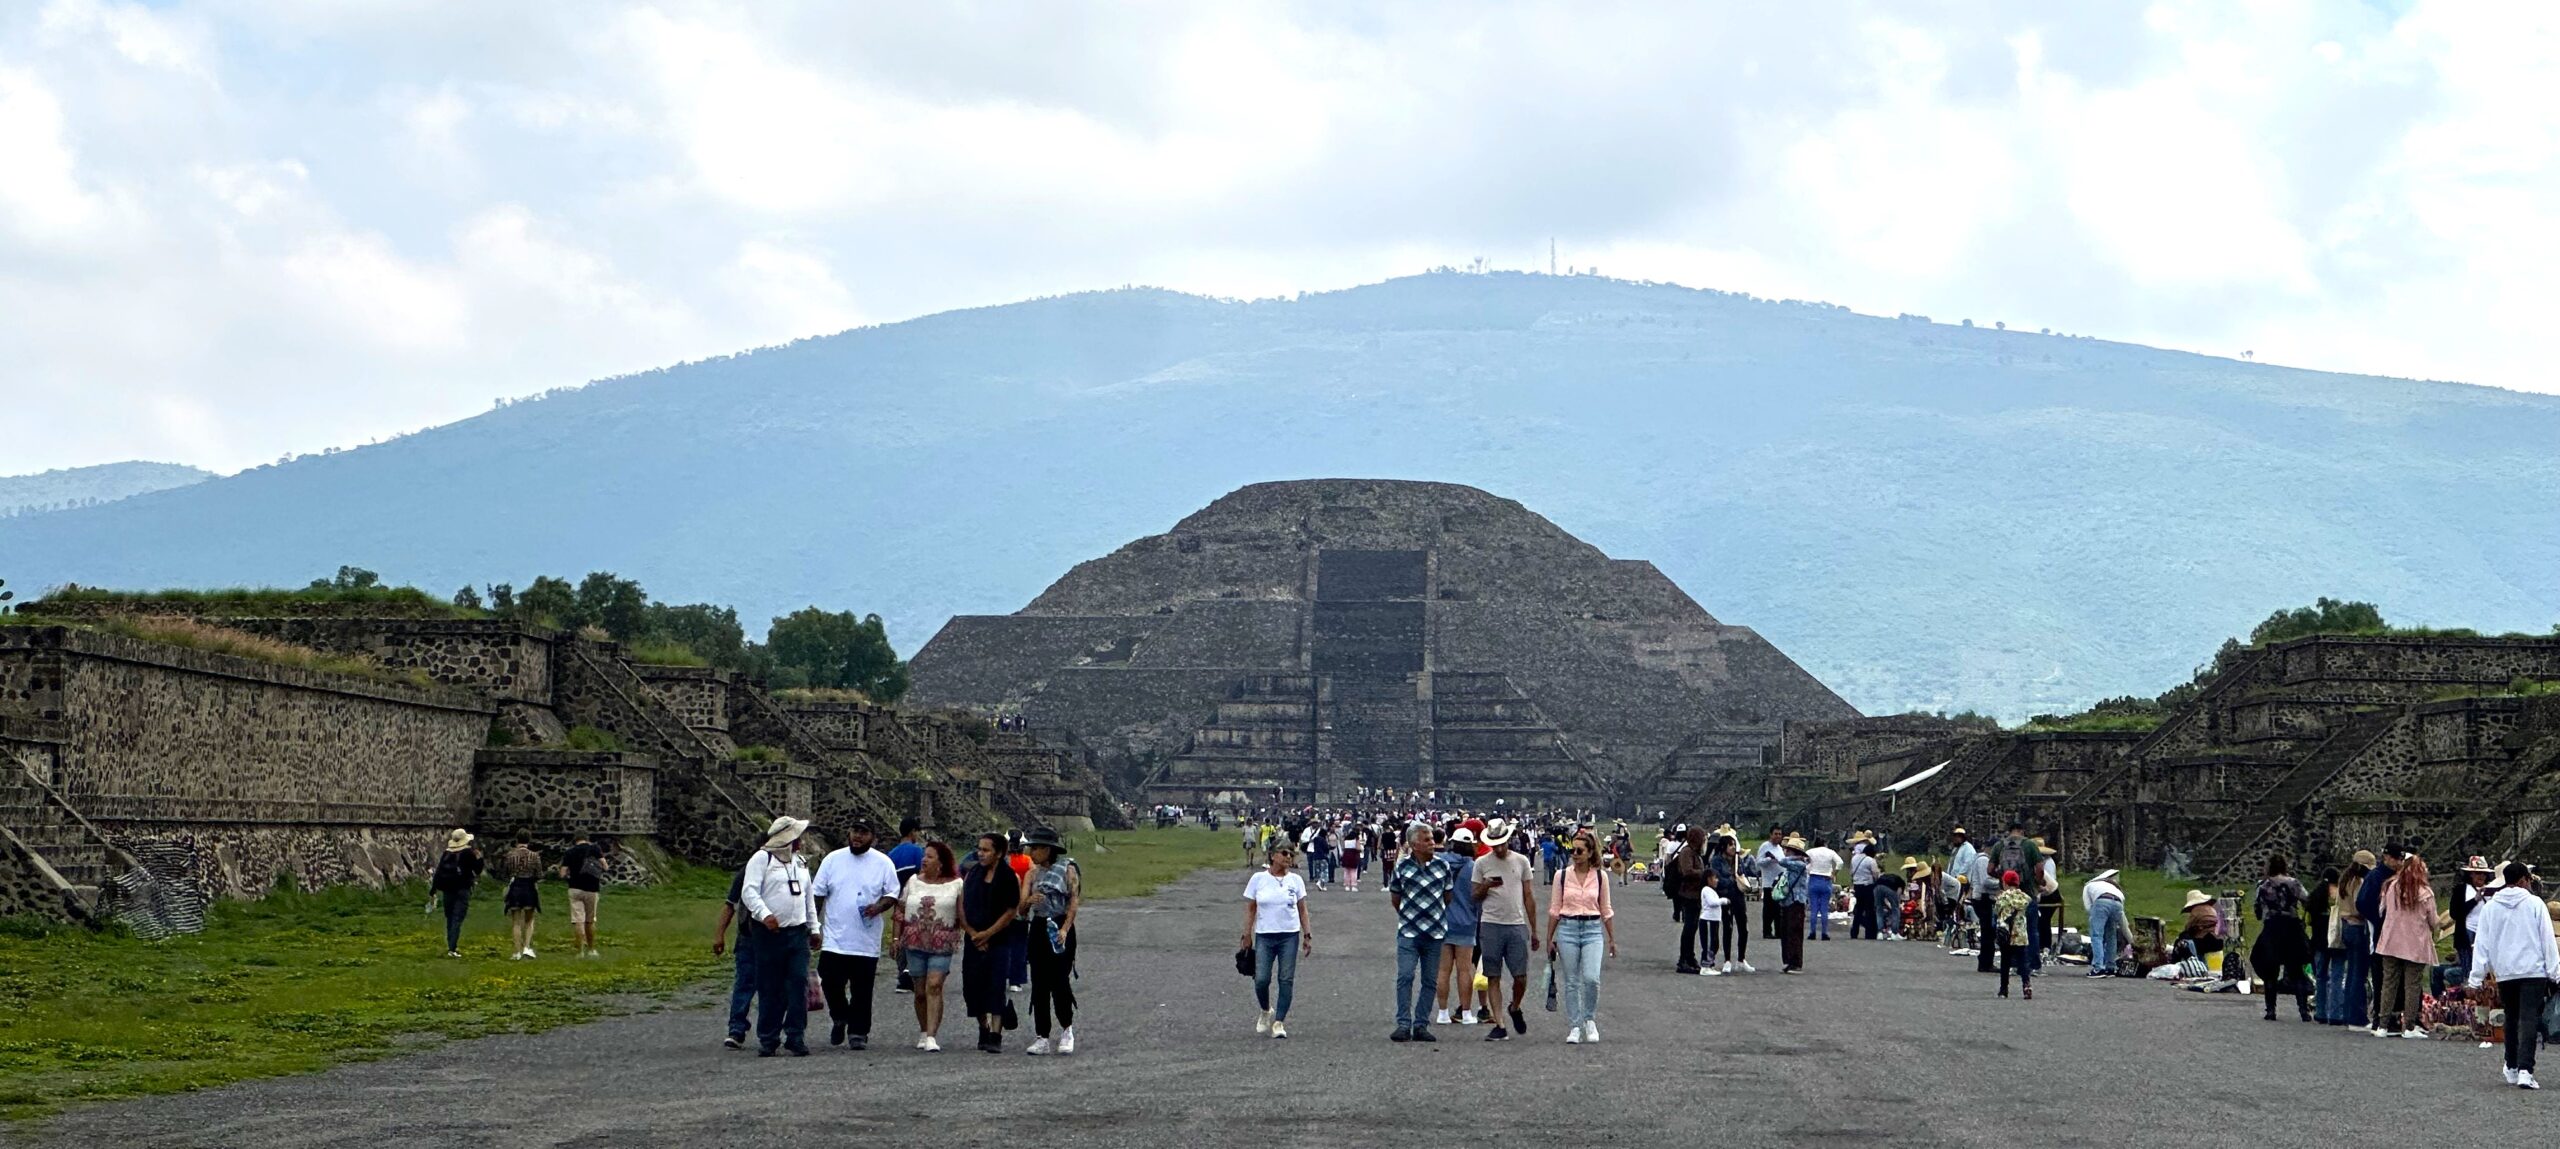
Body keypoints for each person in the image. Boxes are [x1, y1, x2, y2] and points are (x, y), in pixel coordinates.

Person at [811, 819, 903, 1051]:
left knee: (862, 988)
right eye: (854, 831)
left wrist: (878, 907)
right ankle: (840, 1015)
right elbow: (818, 893)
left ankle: (858, 1031)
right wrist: (813, 926)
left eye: (863, 833)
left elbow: (892, 894)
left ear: (873, 837)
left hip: (865, 938)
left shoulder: (883, 863)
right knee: (830, 981)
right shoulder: (833, 859)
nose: (857, 837)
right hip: (835, 937)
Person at [2467, 862, 2559, 1089]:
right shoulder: (2535, 904)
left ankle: (2511, 1065)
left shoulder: (2490, 907)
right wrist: (2556, 972)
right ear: (2523, 880)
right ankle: (2527, 1070)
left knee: (2511, 1016)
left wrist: (2476, 976)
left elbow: (2482, 944)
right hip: (2533, 970)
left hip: (2506, 971)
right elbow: (2547, 940)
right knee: (2529, 1019)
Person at [739, 816, 816, 1057]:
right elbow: (749, 892)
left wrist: (814, 927)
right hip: (769, 934)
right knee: (770, 985)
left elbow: (807, 897)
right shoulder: (762, 859)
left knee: (798, 982)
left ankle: (795, 1035)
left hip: (797, 932)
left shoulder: (800, 862)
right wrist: (764, 914)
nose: (800, 842)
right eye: (797, 838)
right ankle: (768, 1037)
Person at [961, 831, 1029, 1053]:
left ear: (998, 853)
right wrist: (973, 934)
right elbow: (961, 905)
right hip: (973, 939)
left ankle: (996, 1034)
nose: (981, 854)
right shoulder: (972, 874)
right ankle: (983, 1026)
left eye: (986, 850)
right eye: (979, 849)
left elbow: (1011, 911)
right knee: (973, 987)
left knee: (996, 985)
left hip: (998, 940)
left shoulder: (1008, 877)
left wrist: (988, 934)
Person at [1385, 823, 1454, 1043]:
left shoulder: (1442, 867)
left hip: (1434, 932)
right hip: (1409, 931)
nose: (1432, 843)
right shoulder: (1402, 867)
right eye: (1426, 840)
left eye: (1432, 839)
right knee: (1405, 976)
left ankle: (1421, 1023)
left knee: (1430, 980)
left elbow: (1447, 897)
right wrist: (1412, 915)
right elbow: (1396, 898)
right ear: (1414, 844)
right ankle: (1404, 1023)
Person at [1547, 830, 1617, 1043]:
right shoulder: (1561, 876)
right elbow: (1555, 909)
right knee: (1571, 982)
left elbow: (1606, 909)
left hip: (1592, 929)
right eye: (1572, 850)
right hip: (1567, 928)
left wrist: (1612, 938)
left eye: (1579, 850)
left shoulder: (1599, 876)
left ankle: (1589, 1019)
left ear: (1589, 853)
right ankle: (1575, 1025)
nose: (1575, 854)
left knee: (1591, 978)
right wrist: (1549, 938)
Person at [892, 840, 962, 1051]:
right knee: (920, 991)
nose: (924, 860)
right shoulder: (913, 881)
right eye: (924, 856)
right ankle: (923, 1030)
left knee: (934, 985)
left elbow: (962, 913)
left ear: (940, 862)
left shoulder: (956, 884)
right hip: (914, 942)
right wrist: (895, 939)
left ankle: (932, 1035)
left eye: (930, 856)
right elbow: (899, 911)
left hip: (942, 942)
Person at [1472, 818, 1539, 1038]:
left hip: (1516, 923)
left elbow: (1529, 896)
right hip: (1491, 923)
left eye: (1502, 842)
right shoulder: (1481, 863)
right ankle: (1499, 1024)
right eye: (1495, 844)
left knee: (1520, 976)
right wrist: (1486, 885)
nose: (1499, 848)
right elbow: (1474, 896)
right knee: (1493, 975)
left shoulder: (1521, 861)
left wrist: (1534, 929)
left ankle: (1515, 1006)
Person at [1242, 841, 1313, 1039]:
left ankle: (1279, 1022)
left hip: (1288, 935)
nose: (1288, 857)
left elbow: (1302, 909)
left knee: (1286, 978)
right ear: (1273, 855)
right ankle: (1266, 1010)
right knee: (1261, 979)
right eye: (1284, 853)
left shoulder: (1295, 881)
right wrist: (1246, 934)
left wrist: (1307, 935)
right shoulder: (1258, 879)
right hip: (1265, 935)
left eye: (1291, 853)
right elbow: (1251, 908)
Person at [1022, 826, 1083, 1055]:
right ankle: (1042, 1035)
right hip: (1038, 925)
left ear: (1048, 850)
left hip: (1059, 924)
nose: (1032, 852)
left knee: (1059, 980)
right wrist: (1029, 900)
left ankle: (1067, 1028)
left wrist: (1065, 929)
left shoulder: (1067, 870)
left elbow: (1073, 902)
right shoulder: (1031, 874)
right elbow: (1020, 909)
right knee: (1039, 983)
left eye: (1036, 848)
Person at [2373, 850, 2437, 1038]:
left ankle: (2383, 1024)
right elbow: (2433, 920)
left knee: (2389, 983)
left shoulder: (2390, 886)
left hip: (2391, 940)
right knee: (2412, 985)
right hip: (2415, 943)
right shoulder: (2425, 892)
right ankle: (2409, 1026)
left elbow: (2381, 910)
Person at [2252, 854, 2314, 1021]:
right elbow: (2307, 899)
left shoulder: (2262, 885)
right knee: (2296, 971)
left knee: (2270, 970)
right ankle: (2303, 1011)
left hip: (2272, 927)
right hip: (2291, 926)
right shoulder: (2294, 883)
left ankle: (2270, 1010)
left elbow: (2257, 909)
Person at [1434, 827, 1482, 1026]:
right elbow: (1477, 896)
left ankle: (1442, 1012)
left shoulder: (1440, 863)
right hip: (1466, 921)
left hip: (1442, 920)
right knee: (1464, 970)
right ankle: (1466, 1012)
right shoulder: (1473, 867)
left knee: (1443, 970)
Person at [2324, 852, 2375, 1028]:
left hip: (2346, 926)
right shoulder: (2358, 883)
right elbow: (2359, 905)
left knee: (2352, 971)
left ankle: (2347, 1013)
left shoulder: (2345, 882)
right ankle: (2357, 1016)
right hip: (2357, 926)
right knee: (2358, 974)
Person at [714, 858, 759, 1048]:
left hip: (778, 937)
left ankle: (771, 1030)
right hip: (748, 936)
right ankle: (736, 1029)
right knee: (744, 983)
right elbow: (730, 904)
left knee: (775, 986)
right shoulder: (747, 871)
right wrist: (719, 934)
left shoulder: (789, 868)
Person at [887, 818, 927, 994]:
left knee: (900, 935)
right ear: (912, 832)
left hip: (897, 900)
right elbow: (922, 874)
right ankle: (911, 974)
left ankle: (902, 972)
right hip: (915, 899)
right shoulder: (917, 851)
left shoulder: (891, 854)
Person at [431, 828, 483, 958]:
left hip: (448, 889)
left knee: (450, 917)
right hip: (463, 888)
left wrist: (433, 889)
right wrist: (479, 859)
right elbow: (477, 870)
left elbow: (439, 871)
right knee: (457, 918)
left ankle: (450, 945)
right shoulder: (468, 853)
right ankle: (452, 948)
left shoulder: (447, 853)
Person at [1666, 825, 1713, 973]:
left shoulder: (1694, 852)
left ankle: (1690, 956)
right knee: (1689, 928)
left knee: (1692, 928)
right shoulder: (1687, 852)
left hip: (1694, 894)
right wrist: (1703, 873)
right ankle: (1683, 959)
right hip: (1688, 894)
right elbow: (1687, 871)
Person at [1709, 828, 1754, 974]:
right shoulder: (1716, 861)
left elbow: (1742, 873)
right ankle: (1727, 959)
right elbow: (1717, 879)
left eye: (1734, 844)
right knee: (1727, 927)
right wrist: (1731, 880)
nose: (1733, 848)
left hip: (1738, 895)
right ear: (1724, 846)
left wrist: (1738, 877)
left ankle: (1741, 958)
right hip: (1725, 895)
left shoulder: (1737, 859)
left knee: (1743, 927)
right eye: (1730, 845)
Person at [558, 832, 605, 958]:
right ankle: (591, 950)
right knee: (590, 921)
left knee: (578, 921)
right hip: (592, 888)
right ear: (587, 839)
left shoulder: (570, 852)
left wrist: (568, 874)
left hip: (575, 888)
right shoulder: (595, 849)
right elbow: (605, 866)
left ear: (575, 840)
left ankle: (580, 952)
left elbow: (562, 873)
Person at [498, 834, 541, 960]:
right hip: (529, 886)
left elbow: (504, 873)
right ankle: (527, 947)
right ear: (528, 841)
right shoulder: (534, 856)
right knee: (529, 920)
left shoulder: (510, 855)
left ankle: (517, 952)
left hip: (515, 886)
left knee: (516, 921)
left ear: (517, 840)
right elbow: (539, 874)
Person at [1993, 870, 2034, 1000]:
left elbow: (1996, 910)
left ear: (2004, 882)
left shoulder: (2003, 897)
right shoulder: (2024, 897)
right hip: (2021, 934)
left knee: (2005, 962)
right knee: (2023, 962)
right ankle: (2026, 985)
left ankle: (2003, 989)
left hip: (2006, 934)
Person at [2083, 867, 2129, 977]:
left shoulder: (2088, 886)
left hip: (2102, 901)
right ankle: (2111, 967)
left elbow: (2088, 906)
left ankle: (2098, 967)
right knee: (2111, 935)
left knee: (2097, 935)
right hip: (2118, 902)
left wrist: (2094, 917)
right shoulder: (2112, 886)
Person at [2455, 855, 2496, 977]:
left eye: (2483, 873)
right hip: (2467, 932)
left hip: (2486, 932)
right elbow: (2455, 913)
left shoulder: (2493, 889)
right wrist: (2475, 900)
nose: (2481, 876)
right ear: (2471, 874)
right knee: (2468, 968)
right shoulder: (2461, 890)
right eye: (2478, 873)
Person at [1776, 835, 1810, 974]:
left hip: (1796, 901)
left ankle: (1795, 962)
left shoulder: (1798, 864)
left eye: (1789, 850)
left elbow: (1782, 861)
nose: (1786, 852)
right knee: (1786, 932)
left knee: (1794, 931)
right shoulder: (1795, 865)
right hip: (1788, 900)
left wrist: (1794, 858)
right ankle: (1788, 960)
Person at [1803, 836, 1842, 941]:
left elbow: (1804, 862)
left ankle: (1812, 932)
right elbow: (1840, 862)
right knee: (1824, 908)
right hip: (1826, 880)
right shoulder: (1830, 852)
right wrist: (1834, 873)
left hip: (1813, 879)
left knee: (1814, 908)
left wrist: (1809, 870)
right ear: (1825, 843)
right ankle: (1824, 932)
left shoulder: (1810, 852)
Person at [1755, 828, 1788, 941]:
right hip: (1769, 882)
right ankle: (1767, 931)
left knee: (1778, 909)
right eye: (1776, 834)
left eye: (1780, 834)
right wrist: (1769, 859)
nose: (1778, 836)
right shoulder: (1765, 846)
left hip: (1779, 882)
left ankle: (1779, 931)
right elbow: (1758, 862)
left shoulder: (1779, 848)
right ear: (1771, 834)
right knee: (1769, 909)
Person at [1848, 836, 1881, 940]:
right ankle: (1869, 933)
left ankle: (1854, 932)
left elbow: (1851, 872)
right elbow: (1875, 874)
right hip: (1868, 886)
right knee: (1869, 910)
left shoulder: (1854, 859)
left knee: (1858, 909)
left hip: (1857, 886)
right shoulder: (1871, 861)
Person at [1340, 821, 1365, 893]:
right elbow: (1358, 848)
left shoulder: (1346, 840)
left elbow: (1343, 847)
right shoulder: (1356, 839)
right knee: (1353, 871)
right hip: (1353, 855)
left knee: (1346, 871)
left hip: (1346, 854)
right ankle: (1353, 885)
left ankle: (1347, 885)